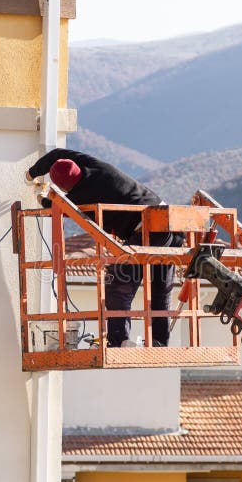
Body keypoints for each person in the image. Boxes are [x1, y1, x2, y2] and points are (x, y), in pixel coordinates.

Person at [26, 148, 184, 348]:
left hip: (148, 231)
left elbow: (56, 208)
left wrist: (40, 196)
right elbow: (56, 153)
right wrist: (32, 172)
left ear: (66, 189)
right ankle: (159, 342)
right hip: (172, 224)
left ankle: (118, 341)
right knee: (160, 287)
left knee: (118, 284)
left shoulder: (81, 196)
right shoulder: (92, 164)